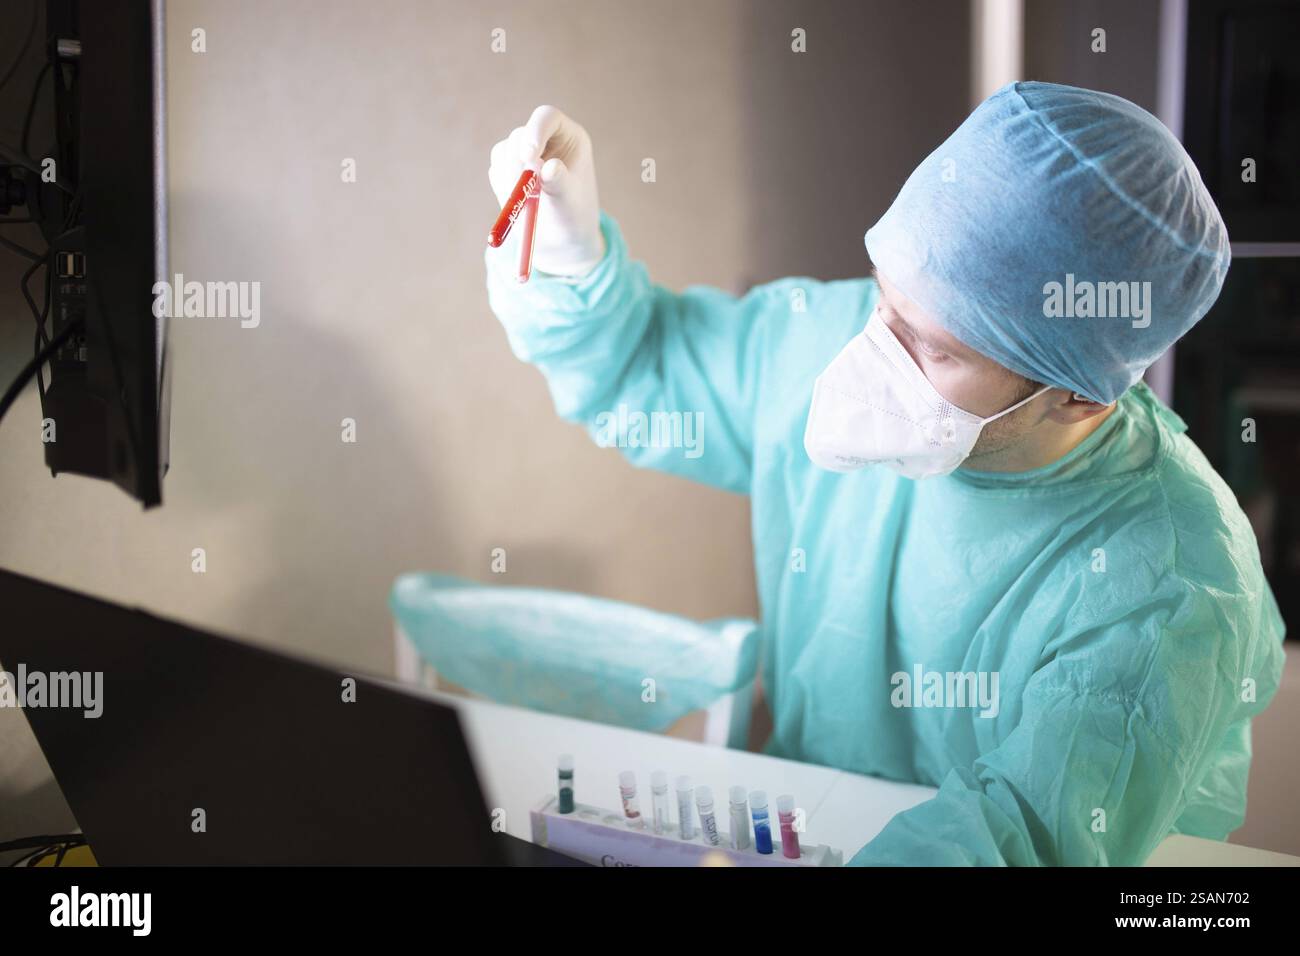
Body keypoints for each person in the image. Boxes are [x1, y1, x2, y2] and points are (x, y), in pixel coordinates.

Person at [483, 82, 1286, 865]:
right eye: (883, 301)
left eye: (937, 349)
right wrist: (569, 259)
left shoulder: (1173, 580)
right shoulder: (821, 339)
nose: (871, 362)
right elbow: (645, 372)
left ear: (1077, 394)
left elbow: (1018, 839)